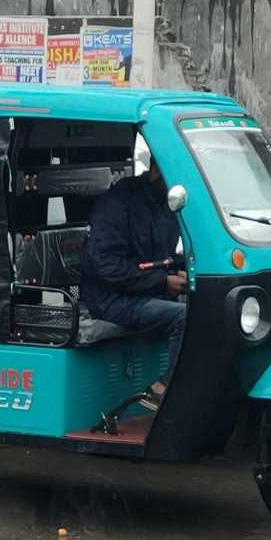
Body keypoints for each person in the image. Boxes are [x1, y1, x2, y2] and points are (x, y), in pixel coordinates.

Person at [81, 159, 186, 408]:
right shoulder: (117, 204)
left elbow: (161, 258)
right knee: (185, 317)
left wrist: (180, 272)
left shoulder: (168, 205)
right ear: (156, 167)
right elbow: (107, 266)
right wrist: (163, 282)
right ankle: (163, 389)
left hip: (146, 292)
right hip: (110, 300)